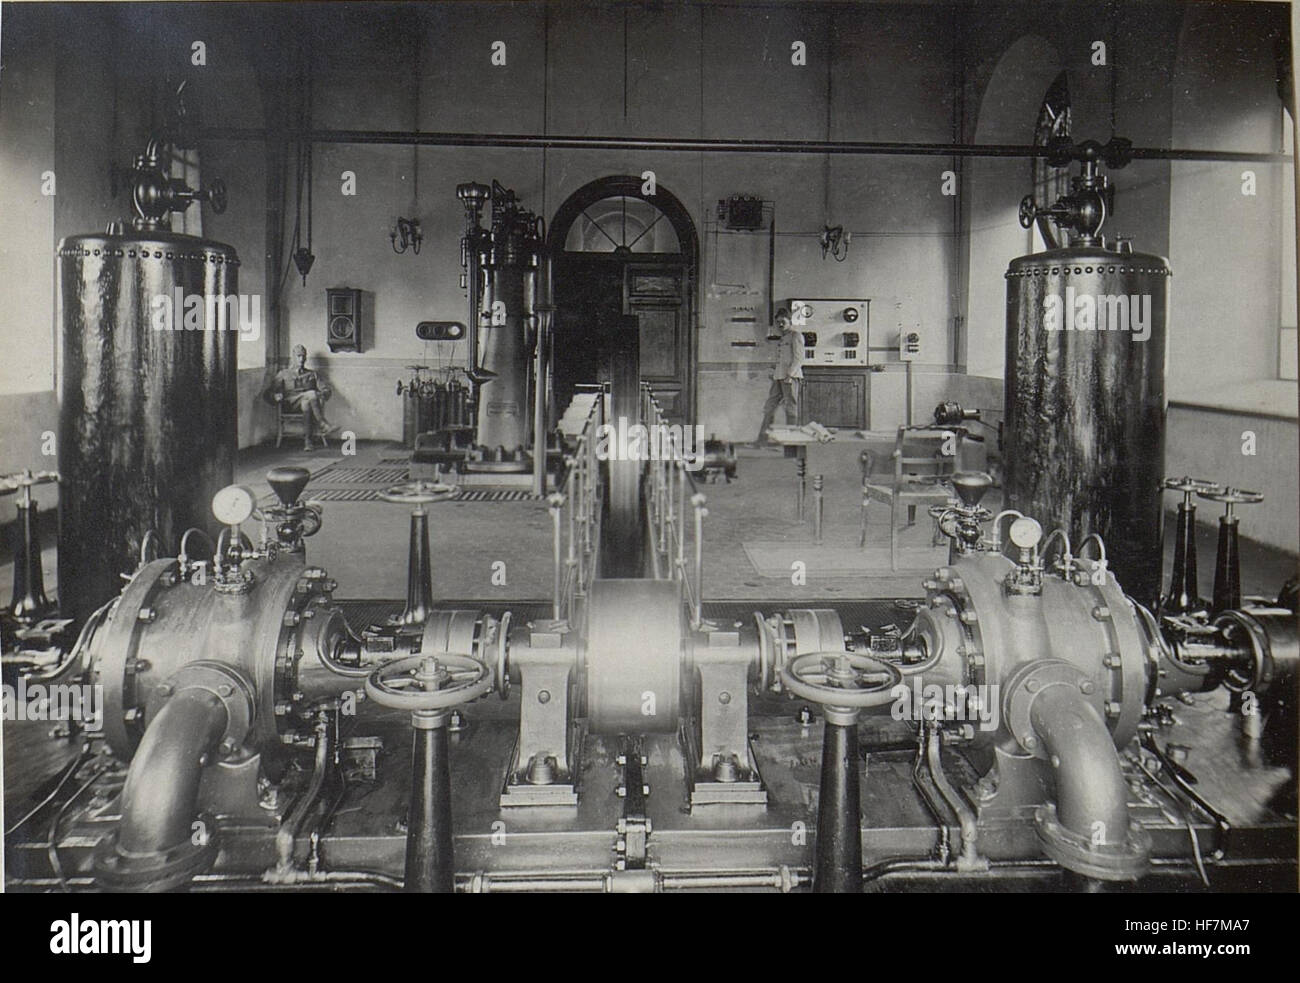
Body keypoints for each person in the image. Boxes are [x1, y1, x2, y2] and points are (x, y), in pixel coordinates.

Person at [269, 345, 336, 450]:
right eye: (299, 356)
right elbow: (268, 392)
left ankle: (308, 442)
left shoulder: (312, 374)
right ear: (293, 357)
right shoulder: (284, 374)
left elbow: (326, 389)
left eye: (304, 356)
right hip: (290, 404)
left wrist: (321, 394)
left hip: (307, 403)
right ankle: (323, 424)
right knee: (311, 394)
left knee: (307, 403)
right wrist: (275, 396)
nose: (302, 359)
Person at [756, 308, 803, 444]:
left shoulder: (796, 336)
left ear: (790, 321)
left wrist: (789, 375)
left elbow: (798, 359)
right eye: (778, 322)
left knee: (791, 409)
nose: (780, 324)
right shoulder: (783, 338)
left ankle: (792, 441)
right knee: (769, 407)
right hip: (779, 377)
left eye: (783, 321)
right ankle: (763, 439)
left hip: (790, 378)